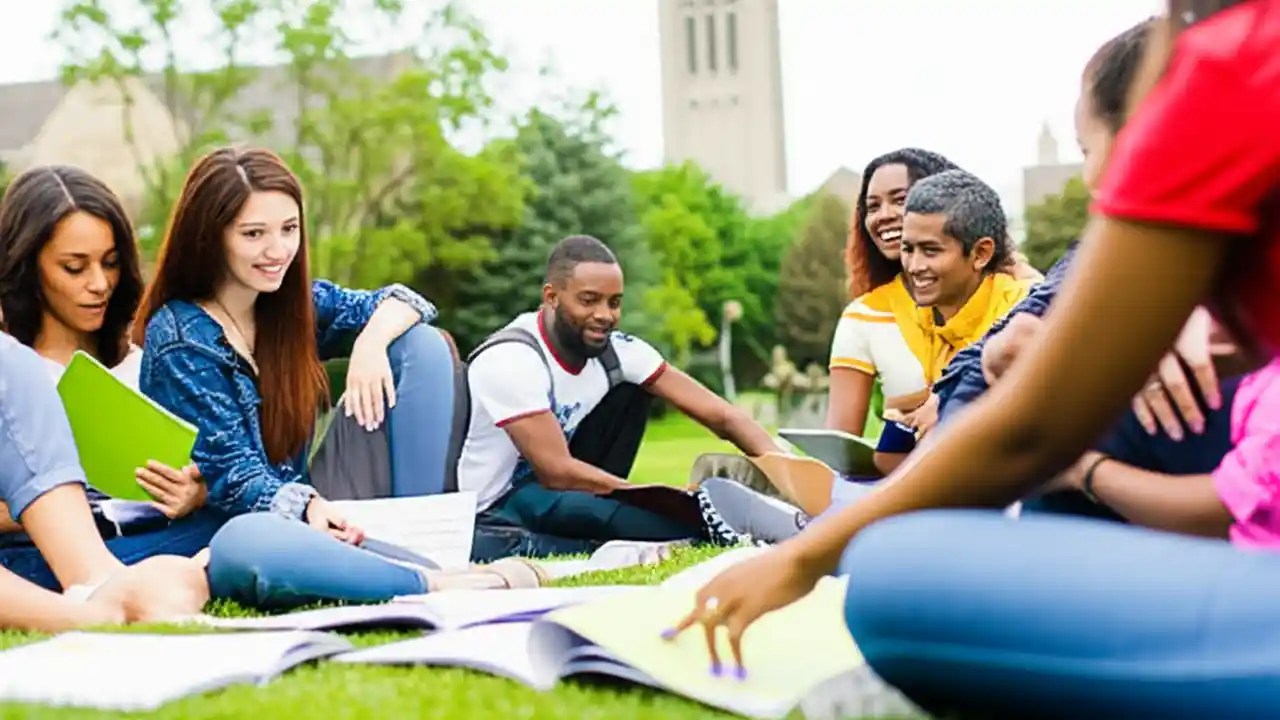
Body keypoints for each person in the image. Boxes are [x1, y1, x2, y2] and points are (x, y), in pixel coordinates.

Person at [669, 2, 1280, 716]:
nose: (1096, 183)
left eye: (1093, 151)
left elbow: (1031, 430)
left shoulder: (1233, 64)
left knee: (896, 574)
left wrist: (804, 560)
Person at [135, 147, 540, 610]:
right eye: (254, 234)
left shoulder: (291, 305)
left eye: (289, 229)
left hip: (318, 502)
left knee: (420, 345)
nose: (277, 250)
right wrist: (307, 508)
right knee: (246, 544)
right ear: (211, 238)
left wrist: (368, 345)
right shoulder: (180, 335)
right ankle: (432, 581)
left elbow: (407, 301)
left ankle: (427, 541)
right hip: (242, 521)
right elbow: (235, 475)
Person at [929, 19, 1244, 520]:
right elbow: (974, 380)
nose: (1089, 176)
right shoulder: (1094, 274)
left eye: (1087, 149)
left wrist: (1087, 459)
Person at [463, 234, 790, 561]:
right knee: (675, 525)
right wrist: (652, 498)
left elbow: (723, 416)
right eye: (589, 300)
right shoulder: (512, 360)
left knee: (633, 388)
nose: (605, 314)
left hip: (556, 488)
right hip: (497, 506)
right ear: (552, 297)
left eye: (614, 302)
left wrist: (792, 477)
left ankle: (780, 517)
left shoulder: (617, 351)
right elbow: (556, 471)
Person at [0, 166, 223, 585]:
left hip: (155, 531)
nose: (100, 284)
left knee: (231, 522)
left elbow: (210, 465)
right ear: (28, 267)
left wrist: (195, 491)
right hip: (38, 554)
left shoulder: (144, 358)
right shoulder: (10, 372)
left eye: (111, 263)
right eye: (74, 267)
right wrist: (62, 503)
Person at [0, 332, 209, 629]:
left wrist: (194, 491)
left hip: (102, 535)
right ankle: (100, 609)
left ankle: (98, 582)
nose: (98, 285)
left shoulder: (16, 363)